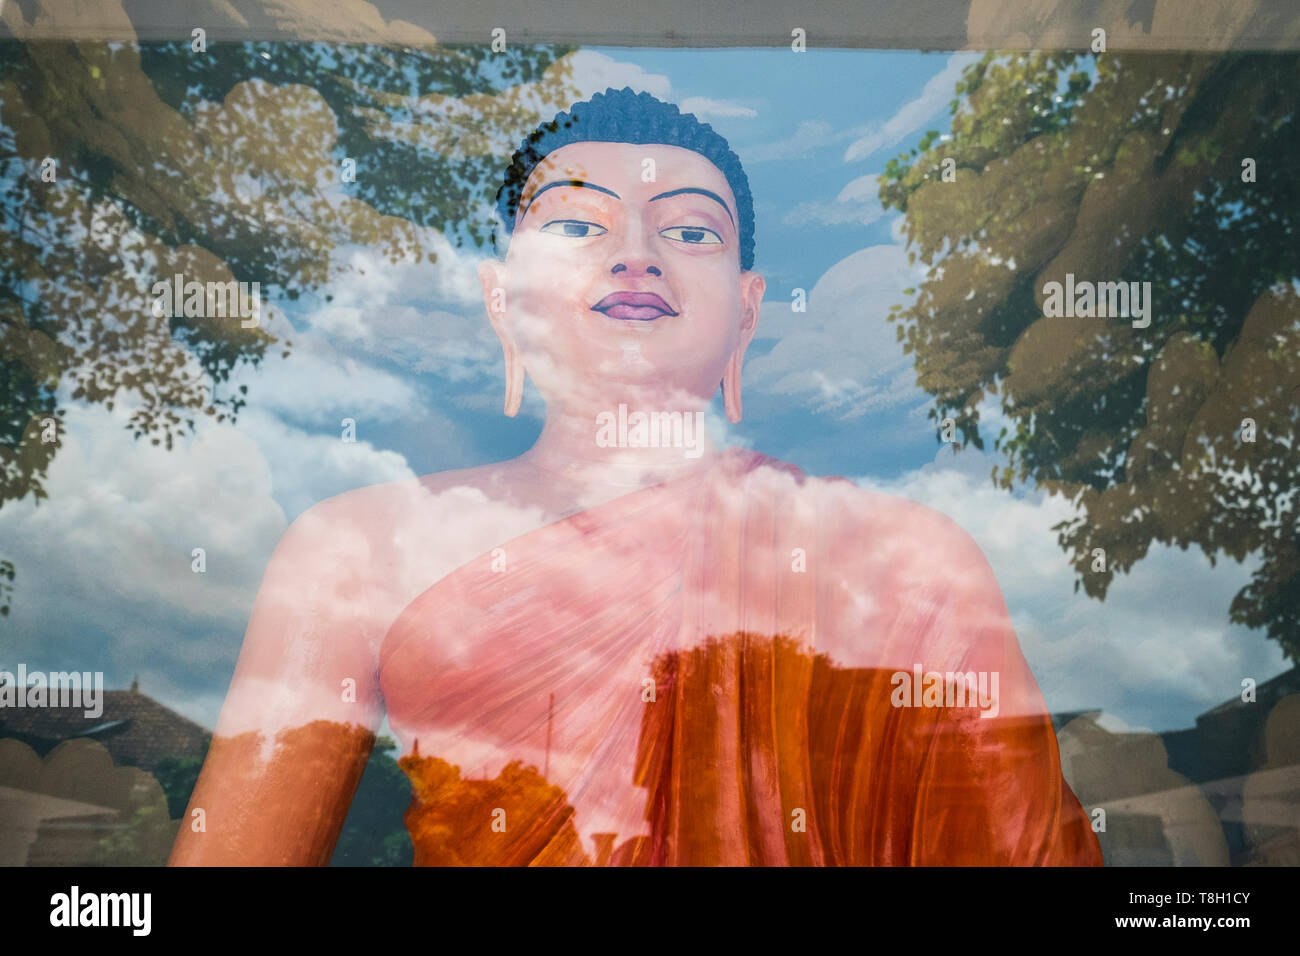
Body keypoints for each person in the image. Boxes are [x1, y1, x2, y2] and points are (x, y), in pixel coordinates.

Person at [169, 87, 1102, 866]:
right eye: (577, 222)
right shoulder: (362, 549)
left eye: (691, 232)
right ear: (503, 302)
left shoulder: (906, 559)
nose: (636, 254)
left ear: (746, 312)